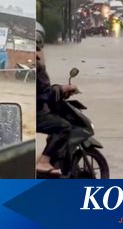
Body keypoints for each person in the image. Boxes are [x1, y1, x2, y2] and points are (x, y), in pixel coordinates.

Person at [36, 21, 79, 176]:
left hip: (34, 108)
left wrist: (60, 90)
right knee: (64, 127)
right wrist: (62, 89)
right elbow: (45, 94)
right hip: (36, 112)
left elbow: (42, 91)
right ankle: (43, 161)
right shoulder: (36, 63)